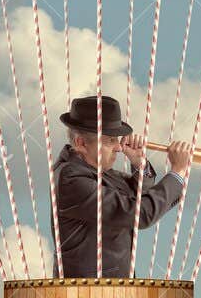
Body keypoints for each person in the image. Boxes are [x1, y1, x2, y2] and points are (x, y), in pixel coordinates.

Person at [51, 94, 192, 277]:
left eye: (117, 140)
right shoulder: (71, 178)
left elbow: (141, 196)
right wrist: (177, 171)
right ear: (81, 143)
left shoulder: (96, 171)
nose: (118, 147)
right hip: (88, 295)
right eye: (110, 140)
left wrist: (139, 163)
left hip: (114, 293)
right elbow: (140, 213)